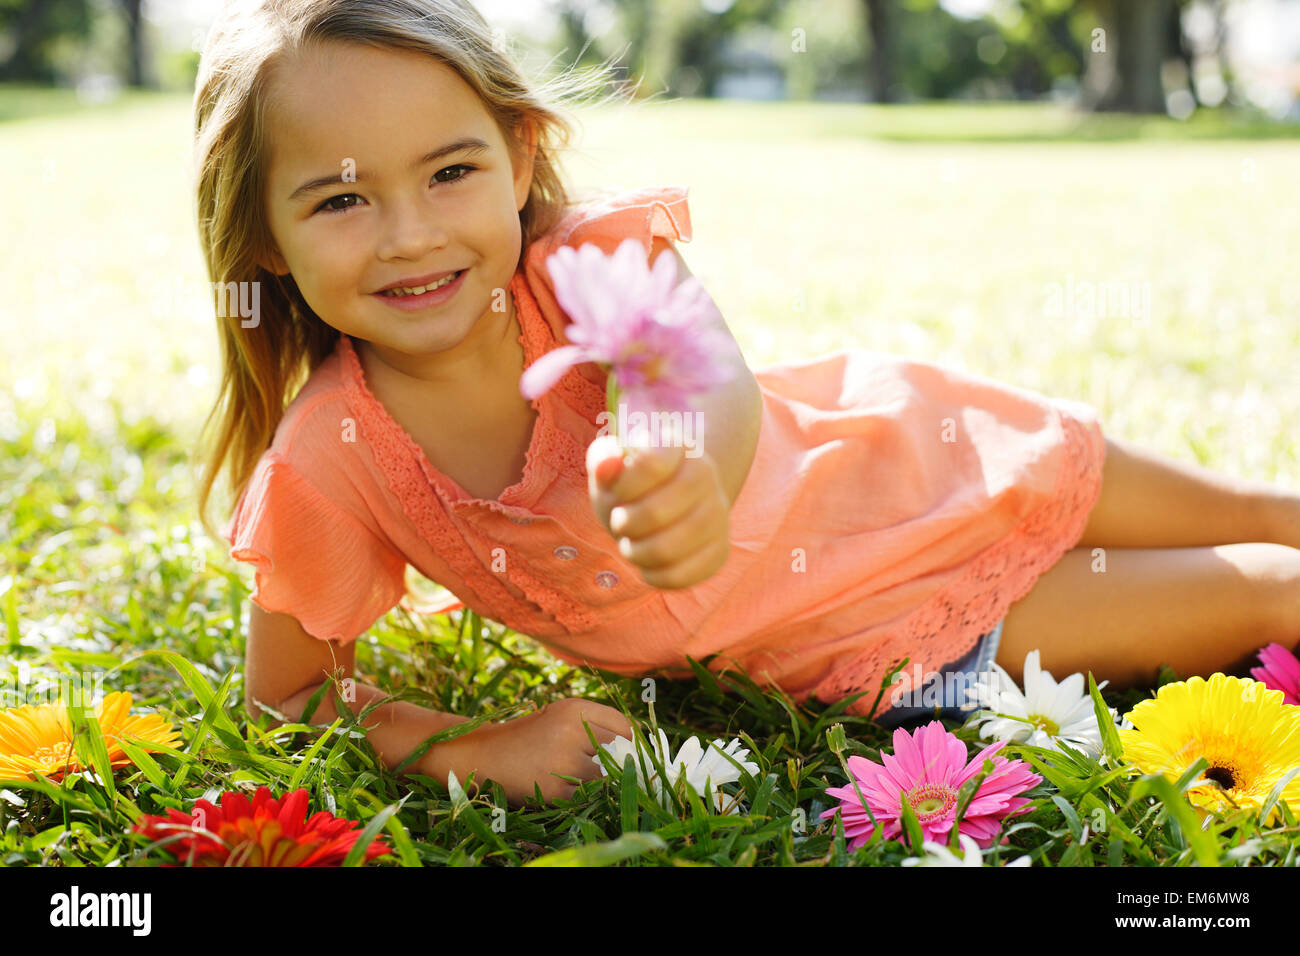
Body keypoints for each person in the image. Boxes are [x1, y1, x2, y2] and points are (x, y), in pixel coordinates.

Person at [192, 0, 1300, 806]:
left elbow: (699, 369)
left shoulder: (586, 264)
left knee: (1267, 510)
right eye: (340, 196)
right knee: (1276, 589)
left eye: (449, 171)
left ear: (520, 153)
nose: (411, 232)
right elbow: (289, 699)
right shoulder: (329, 458)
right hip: (885, 632)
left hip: (929, 452)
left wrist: (682, 459)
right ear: (260, 240)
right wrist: (473, 749)